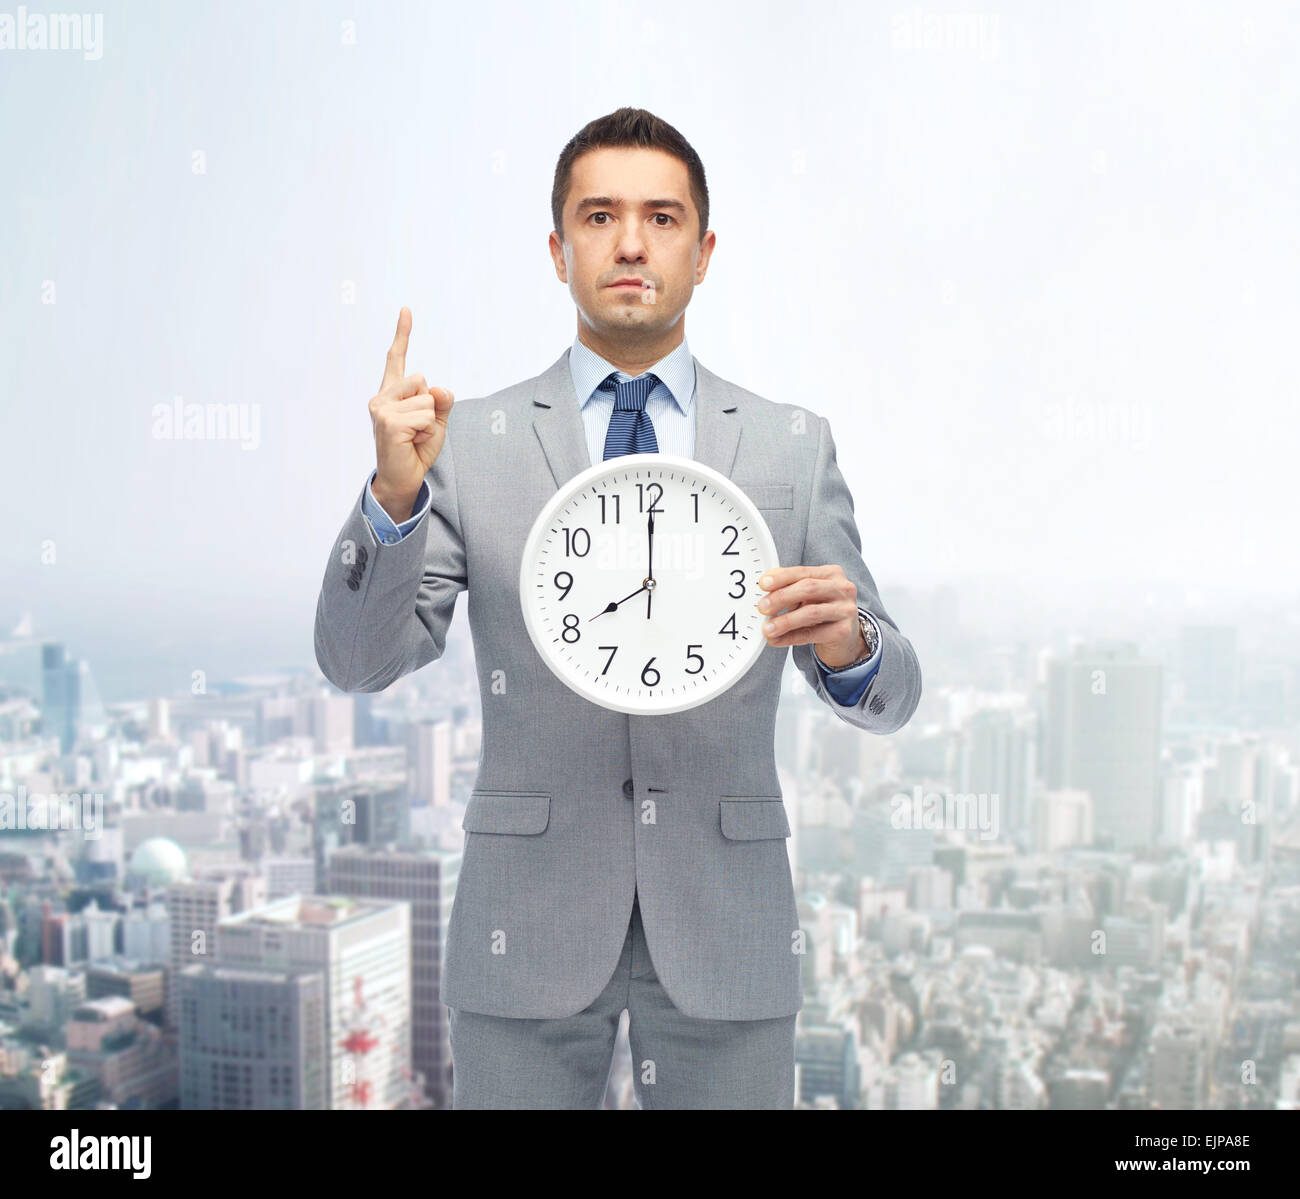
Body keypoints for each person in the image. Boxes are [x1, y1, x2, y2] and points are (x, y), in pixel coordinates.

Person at [314, 107, 922, 1109]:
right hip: (526, 924)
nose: (631, 242)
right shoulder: (467, 444)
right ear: (558, 250)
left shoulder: (789, 446)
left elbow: (892, 694)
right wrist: (390, 501)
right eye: (598, 216)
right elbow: (354, 661)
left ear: (704, 249)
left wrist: (851, 641)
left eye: (662, 217)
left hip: (726, 925)